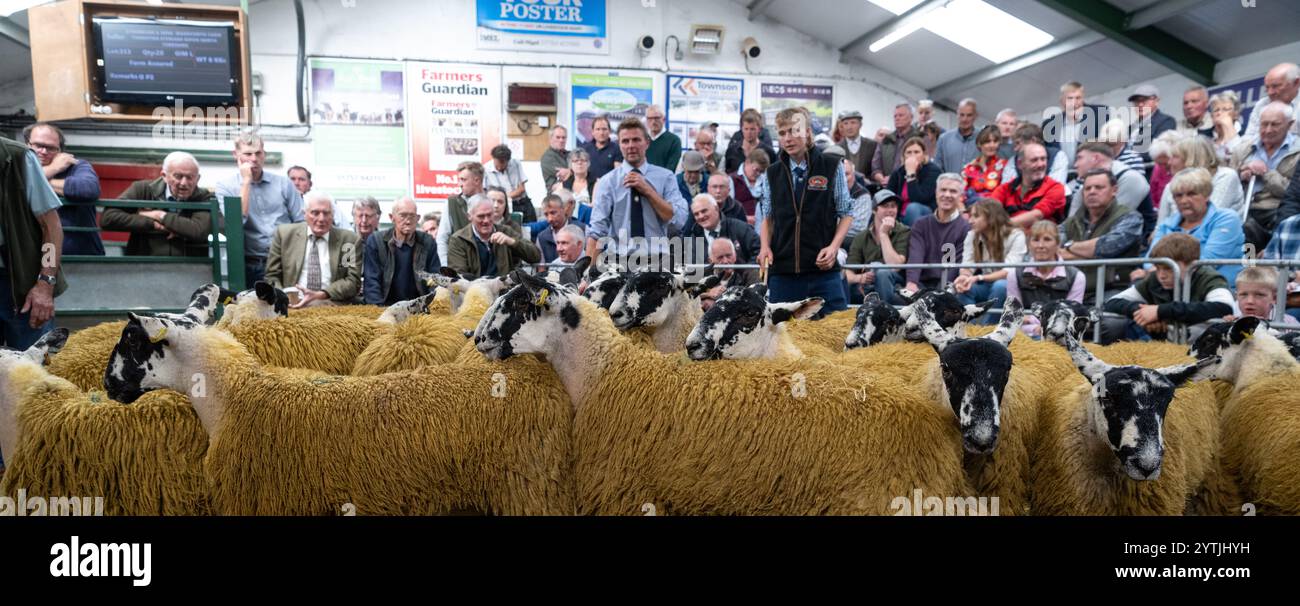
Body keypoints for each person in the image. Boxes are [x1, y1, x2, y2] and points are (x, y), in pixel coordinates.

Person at [754, 107, 854, 314]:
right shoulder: (772, 173)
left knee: (836, 335)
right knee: (783, 339)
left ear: (808, 131)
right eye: (782, 133)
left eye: (794, 131)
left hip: (824, 272)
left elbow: (846, 213)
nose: (788, 138)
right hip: (782, 272)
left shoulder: (832, 166)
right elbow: (768, 217)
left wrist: (834, 247)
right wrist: (765, 247)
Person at [585, 117, 689, 264]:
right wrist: (587, 273)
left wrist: (648, 190)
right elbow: (596, 230)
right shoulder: (608, 181)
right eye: (625, 141)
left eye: (636, 140)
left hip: (657, 261)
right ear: (619, 145)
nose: (631, 146)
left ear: (647, 142)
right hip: (619, 261)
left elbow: (678, 220)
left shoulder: (666, 177)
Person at [1101, 234, 1233, 344]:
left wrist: (1160, 311)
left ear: (1192, 264)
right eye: (1157, 268)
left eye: (1168, 268)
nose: (1161, 275)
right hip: (1165, 348)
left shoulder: (1209, 278)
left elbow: (1223, 307)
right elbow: (1112, 302)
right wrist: (1143, 313)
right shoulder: (1153, 279)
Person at [0, 135, 66, 350]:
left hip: (19, 285)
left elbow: (51, 227)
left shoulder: (18, 158)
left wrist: (45, 284)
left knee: (34, 371)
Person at [216, 131, 305, 284]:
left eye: (258, 153)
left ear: (264, 154)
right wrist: (246, 181)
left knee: (290, 307)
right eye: (248, 154)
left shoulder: (284, 184)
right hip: (252, 264)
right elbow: (238, 222)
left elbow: (301, 222)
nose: (254, 159)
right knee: (254, 307)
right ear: (235, 155)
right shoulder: (225, 187)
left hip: (287, 261)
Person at [102, 151, 217, 257]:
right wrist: (154, 225)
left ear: (198, 178)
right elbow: (108, 218)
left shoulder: (204, 196)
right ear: (164, 176)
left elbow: (199, 231)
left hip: (191, 268)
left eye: (190, 177)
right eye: (178, 176)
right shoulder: (142, 189)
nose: (184, 183)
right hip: (144, 266)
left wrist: (160, 215)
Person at [1143, 167, 1246, 283]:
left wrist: (1163, 270)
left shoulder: (1227, 219)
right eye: (1178, 195)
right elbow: (1149, 260)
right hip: (1172, 288)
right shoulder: (1167, 224)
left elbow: (1208, 262)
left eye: (1191, 194)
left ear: (1207, 195)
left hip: (1217, 288)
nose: (1184, 201)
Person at [1058, 169, 1145, 302]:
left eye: (1099, 187)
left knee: (1106, 320)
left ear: (1114, 190)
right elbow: (1050, 250)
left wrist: (1069, 246)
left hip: (1113, 290)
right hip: (1072, 289)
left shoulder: (1130, 217)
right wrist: (1091, 254)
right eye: (1087, 188)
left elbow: (1106, 247)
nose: (1092, 191)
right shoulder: (1072, 221)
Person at [264, 191, 362, 308]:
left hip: (331, 304)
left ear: (333, 215)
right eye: (315, 213)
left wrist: (320, 295)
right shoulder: (285, 235)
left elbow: (351, 281)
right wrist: (283, 297)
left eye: (326, 213)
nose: (321, 219)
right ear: (304, 214)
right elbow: (272, 276)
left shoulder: (347, 241)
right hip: (291, 305)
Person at [21, 123, 103, 256]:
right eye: (38, 145)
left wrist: (34, 182)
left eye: (51, 148)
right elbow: (11, 184)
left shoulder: (76, 166)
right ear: (26, 144)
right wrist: (53, 169)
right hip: (31, 255)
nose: (43, 151)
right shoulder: (15, 166)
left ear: (60, 151)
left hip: (80, 256)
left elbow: (88, 189)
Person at [1231, 101, 1298, 250]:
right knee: (1240, 228)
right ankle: (1250, 267)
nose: (1267, 130)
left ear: (1290, 124)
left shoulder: (1297, 152)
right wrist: (1241, 176)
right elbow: (1228, 184)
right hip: (1245, 209)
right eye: (1264, 124)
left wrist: (1266, 173)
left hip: (1277, 211)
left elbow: (1294, 193)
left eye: (1275, 125)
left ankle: (1267, 266)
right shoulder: (1242, 149)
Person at [1006, 220, 1085, 338]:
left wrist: (1047, 328)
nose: (1040, 245)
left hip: (1059, 336)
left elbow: (1072, 316)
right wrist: (1034, 328)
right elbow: (1014, 314)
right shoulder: (1014, 274)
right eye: (1035, 240)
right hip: (1024, 334)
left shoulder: (1076, 276)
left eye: (1047, 239)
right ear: (1029, 244)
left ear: (1058, 244)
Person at [953, 199, 1026, 323]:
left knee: (1000, 286)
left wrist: (979, 278)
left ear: (991, 217)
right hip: (986, 285)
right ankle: (970, 329)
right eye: (970, 216)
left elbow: (1009, 271)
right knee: (965, 288)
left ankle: (987, 330)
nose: (970, 221)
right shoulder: (972, 235)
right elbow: (967, 265)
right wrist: (964, 278)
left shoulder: (1016, 235)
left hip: (1012, 287)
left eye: (976, 216)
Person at [1065, 142, 1155, 240]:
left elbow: (1111, 224)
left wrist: (1071, 248)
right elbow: (1070, 226)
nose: (1075, 165)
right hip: (1087, 246)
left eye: (1079, 158)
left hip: (1134, 249)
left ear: (1095, 158)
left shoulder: (1131, 178)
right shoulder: (1086, 186)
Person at [363, 197, 440, 305]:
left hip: (419, 307)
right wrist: (378, 312)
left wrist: (432, 306)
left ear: (418, 218)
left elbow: (434, 280)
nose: (408, 221)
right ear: (392, 217)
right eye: (403, 215)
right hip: (385, 306)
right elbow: (371, 282)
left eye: (412, 216)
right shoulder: (376, 241)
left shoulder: (427, 242)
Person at [905, 174, 971, 293]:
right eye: (943, 190)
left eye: (953, 191)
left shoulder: (965, 228)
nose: (947, 195)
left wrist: (941, 293)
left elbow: (953, 266)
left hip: (949, 287)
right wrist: (912, 282)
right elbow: (916, 255)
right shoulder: (921, 224)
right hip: (921, 284)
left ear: (961, 197)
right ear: (936, 192)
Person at [1156, 135, 1244, 223]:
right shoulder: (1171, 186)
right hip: (1177, 235)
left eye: (1174, 157)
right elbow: (1160, 225)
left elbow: (1209, 217)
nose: (1169, 162)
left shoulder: (1225, 176)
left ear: (1191, 159)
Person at [447, 197, 541, 279]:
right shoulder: (458, 239)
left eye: (489, 215)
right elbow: (459, 277)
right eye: (481, 216)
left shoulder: (506, 232)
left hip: (504, 293)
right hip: (474, 293)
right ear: (469, 216)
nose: (486, 220)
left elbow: (535, 257)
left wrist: (512, 242)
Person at [844, 189, 909, 305]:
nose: (890, 210)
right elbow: (848, 274)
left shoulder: (903, 231)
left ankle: (884, 313)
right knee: (844, 284)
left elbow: (895, 266)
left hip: (894, 283)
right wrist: (861, 278)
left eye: (893, 206)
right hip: (868, 285)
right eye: (885, 206)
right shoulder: (861, 237)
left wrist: (884, 234)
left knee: (882, 272)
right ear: (874, 210)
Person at [991, 141, 1067, 228]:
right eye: (1034, 160)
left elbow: (1036, 216)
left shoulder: (1055, 188)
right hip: (1007, 237)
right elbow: (989, 211)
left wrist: (1000, 227)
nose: (1040, 164)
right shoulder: (1005, 189)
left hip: (1038, 238)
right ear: (1020, 164)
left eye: (1043, 159)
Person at [1040, 81, 1108, 165]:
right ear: (1062, 101)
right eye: (1070, 98)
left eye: (1078, 98)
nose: (1074, 102)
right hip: (1061, 174)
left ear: (1083, 98)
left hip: (1093, 171)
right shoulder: (1049, 124)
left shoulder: (1099, 114)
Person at [682, 193, 759, 264]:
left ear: (716, 208)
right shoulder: (694, 239)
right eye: (696, 214)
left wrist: (747, 274)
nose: (701, 216)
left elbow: (759, 250)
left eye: (704, 211)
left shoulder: (740, 228)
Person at [434, 160, 485, 266]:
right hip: (460, 265)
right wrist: (446, 266)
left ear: (477, 180)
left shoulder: (493, 200)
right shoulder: (452, 203)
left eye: (463, 180)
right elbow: (442, 238)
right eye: (459, 180)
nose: (460, 184)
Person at [887, 137, 941, 226]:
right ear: (904, 156)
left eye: (916, 152)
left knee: (912, 208)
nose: (912, 155)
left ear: (924, 155)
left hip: (923, 211)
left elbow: (920, 198)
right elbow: (889, 195)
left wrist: (911, 174)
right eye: (909, 152)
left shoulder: (933, 171)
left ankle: (915, 238)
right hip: (900, 213)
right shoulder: (898, 172)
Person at [1243, 63, 1300, 142]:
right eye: (1267, 87)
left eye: (1276, 86)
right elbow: (1247, 140)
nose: (1270, 92)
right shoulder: (1262, 105)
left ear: (1296, 82)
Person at [1001, 122, 1070, 185]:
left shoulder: (1057, 156)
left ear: (1033, 141)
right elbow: (1006, 189)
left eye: (1018, 143)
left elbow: (1056, 187)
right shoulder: (1014, 160)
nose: (1015, 149)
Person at [1225, 266, 1297, 325]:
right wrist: (1227, 327)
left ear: (1274, 298)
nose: (1250, 301)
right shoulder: (1234, 322)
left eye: (1259, 295)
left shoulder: (1288, 324)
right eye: (1243, 294)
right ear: (1236, 296)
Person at [871, 103, 920, 185]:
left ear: (911, 117)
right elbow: (876, 166)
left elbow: (921, 164)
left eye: (901, 115)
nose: (897, 118)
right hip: (886, 186)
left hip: (910, 185)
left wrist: (893, 178)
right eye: (895, 116)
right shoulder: (886, 139)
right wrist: (881, 178)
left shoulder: (919, 138)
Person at [485, 144, 534, 223]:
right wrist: (501, 199)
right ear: (493, 158)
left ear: (508, 160)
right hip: (503, 207)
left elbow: (521, 189)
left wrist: (502, 196)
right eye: (497, 164)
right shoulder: (486, 169)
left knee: (530, 229)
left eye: (503, 164)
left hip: (522, 203)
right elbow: (485, 193)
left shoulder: (515, 163)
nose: (500, 168)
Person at [932, 98, 980, 174]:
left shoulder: (983, 138)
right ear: (957, 114)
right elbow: (937, 167)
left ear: (976, 116)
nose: (965, 119)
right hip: (949, 185)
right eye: (962, 115)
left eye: (969, 115)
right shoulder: (944, 139)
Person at [535, 193, 587, 263]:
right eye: (546, 214)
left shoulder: (583, 229)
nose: (550, 219)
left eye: (553, 213)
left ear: (563, 209)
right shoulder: (542, 237)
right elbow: (541, 268)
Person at [962, 125, 1008, 202]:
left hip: (995, 209)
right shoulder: (970, 167)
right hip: (971, 210)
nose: (992, 145)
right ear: (979, 144)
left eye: (995, 141)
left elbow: (1006, 193)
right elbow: (960, 193)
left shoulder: (1005, 165)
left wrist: (984, 168)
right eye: (987, 142)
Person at [1127, 84, 1178, 153]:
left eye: (1144, 100)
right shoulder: (1131, 127)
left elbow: (1159, 151)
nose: (1140, 104)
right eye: (1136, 101)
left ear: (1156, 101)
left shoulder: (1166, 121)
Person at [725, 108, 777, 175]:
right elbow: (727, 172)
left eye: (752, 129)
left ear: (759, 129)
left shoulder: (768, 152)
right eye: (746, 129)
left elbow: (773, 175)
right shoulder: (732, 150)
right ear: (742, 129)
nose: (749, 132)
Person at [829, 109, 875, 179]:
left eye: (853, 123)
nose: (849, 127)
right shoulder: (837, 148)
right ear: (842, 126)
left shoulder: (872, 145)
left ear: (860, 125)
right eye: (846, 123)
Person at [731, 147, 770, 224]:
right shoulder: (732, 180)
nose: (758, 174)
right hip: (739, 224)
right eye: (756, 169)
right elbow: (729, 208)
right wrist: (744, 218)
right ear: (747, 162)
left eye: (761, 171)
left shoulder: (766, 181)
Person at [580, 114, 622, 182]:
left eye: (604, 129)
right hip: (588, 188)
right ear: (592, 132)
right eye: (598, 129)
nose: (601, 133)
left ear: (609, 131)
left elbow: (618, 174)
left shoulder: (617, 149)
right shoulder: (585, 149)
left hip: (609, 188)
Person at [643, 105, 683, 172]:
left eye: (656, 118)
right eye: (650, 118)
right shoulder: (642, 139)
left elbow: (671, 168)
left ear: (664, 119)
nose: (653, 122)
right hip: (641, 180)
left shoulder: (674, 140)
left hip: (664, 180)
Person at [1209, 91, 1244, 164]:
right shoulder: (1206, 138)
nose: (1219, 113)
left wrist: (1228, 127)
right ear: (1212, 116)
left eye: (1225, 109)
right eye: (1216, 110)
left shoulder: (1245, 135)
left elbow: (1241, 159)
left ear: (1236, 114)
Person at [540, 125, 571, 191]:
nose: (561, 140)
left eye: (563, 137)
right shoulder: (547, 157)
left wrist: (570, 171)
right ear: (551, 138)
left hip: (572, 193)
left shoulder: (570, 154)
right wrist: (574, 171)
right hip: (556, 196)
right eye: (558, 137)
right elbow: (564, 175)